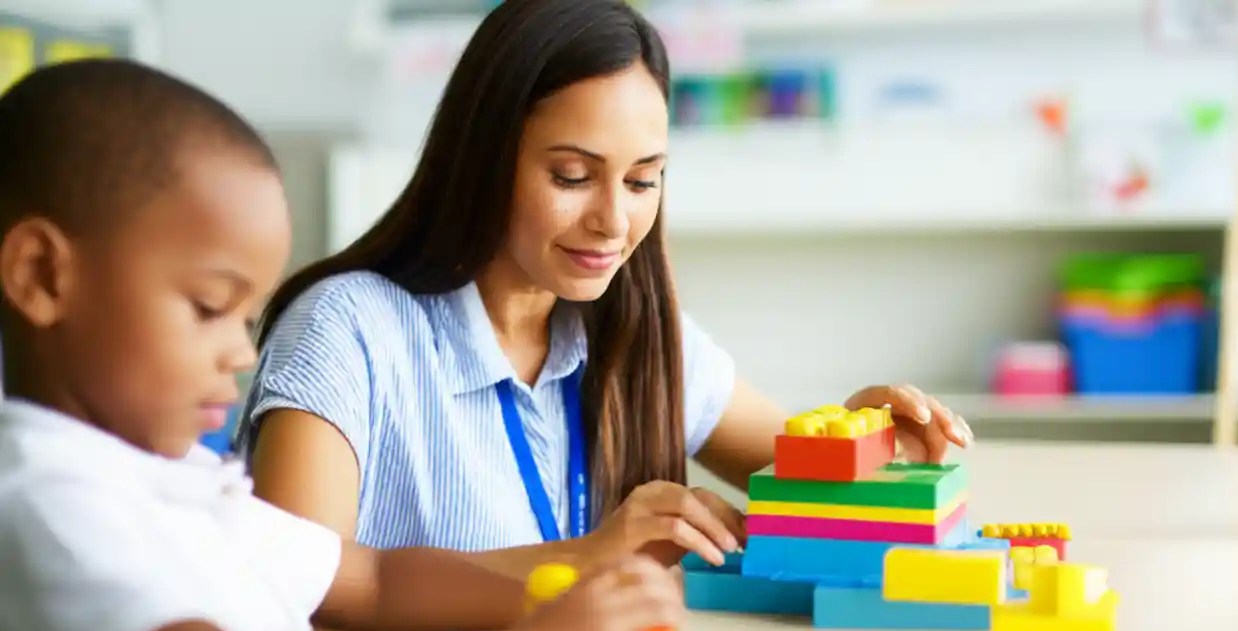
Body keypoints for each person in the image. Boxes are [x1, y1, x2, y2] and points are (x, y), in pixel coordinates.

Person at [0, 59, 681, 631]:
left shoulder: (178, 477)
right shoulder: (42, 501)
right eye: (209, 307)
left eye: (245, 317)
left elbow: (372, 581)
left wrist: (554, 597)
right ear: (41, 276)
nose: (242, 350)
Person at [242, 0, 975, 578]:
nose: (613, 222)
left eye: (642, 179)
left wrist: (866, 440)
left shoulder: (633, 328)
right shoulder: (347, 329)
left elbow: (794, 482)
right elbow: (300, 590)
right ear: (482, 158)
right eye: (571, 177)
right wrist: (585, 560)